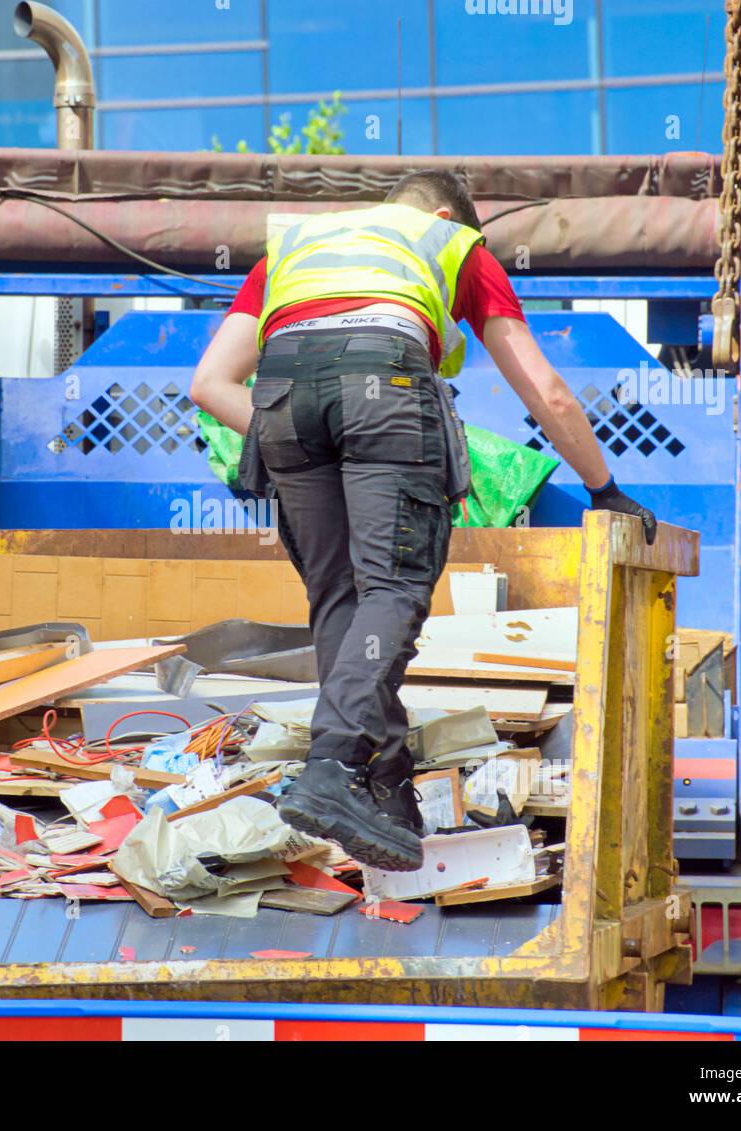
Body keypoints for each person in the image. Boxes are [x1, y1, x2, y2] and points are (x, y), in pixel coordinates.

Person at [190, 171, 657, 871]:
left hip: (281, 395)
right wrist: (606, 487)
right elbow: (544, 389)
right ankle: (330, 769)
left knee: (341, 599)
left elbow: (208, 384)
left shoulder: (292, 250)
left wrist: (292, 438)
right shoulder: (452, 242)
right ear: (446, 215)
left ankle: (384, 781)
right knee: (393, 588)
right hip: (385, 380)